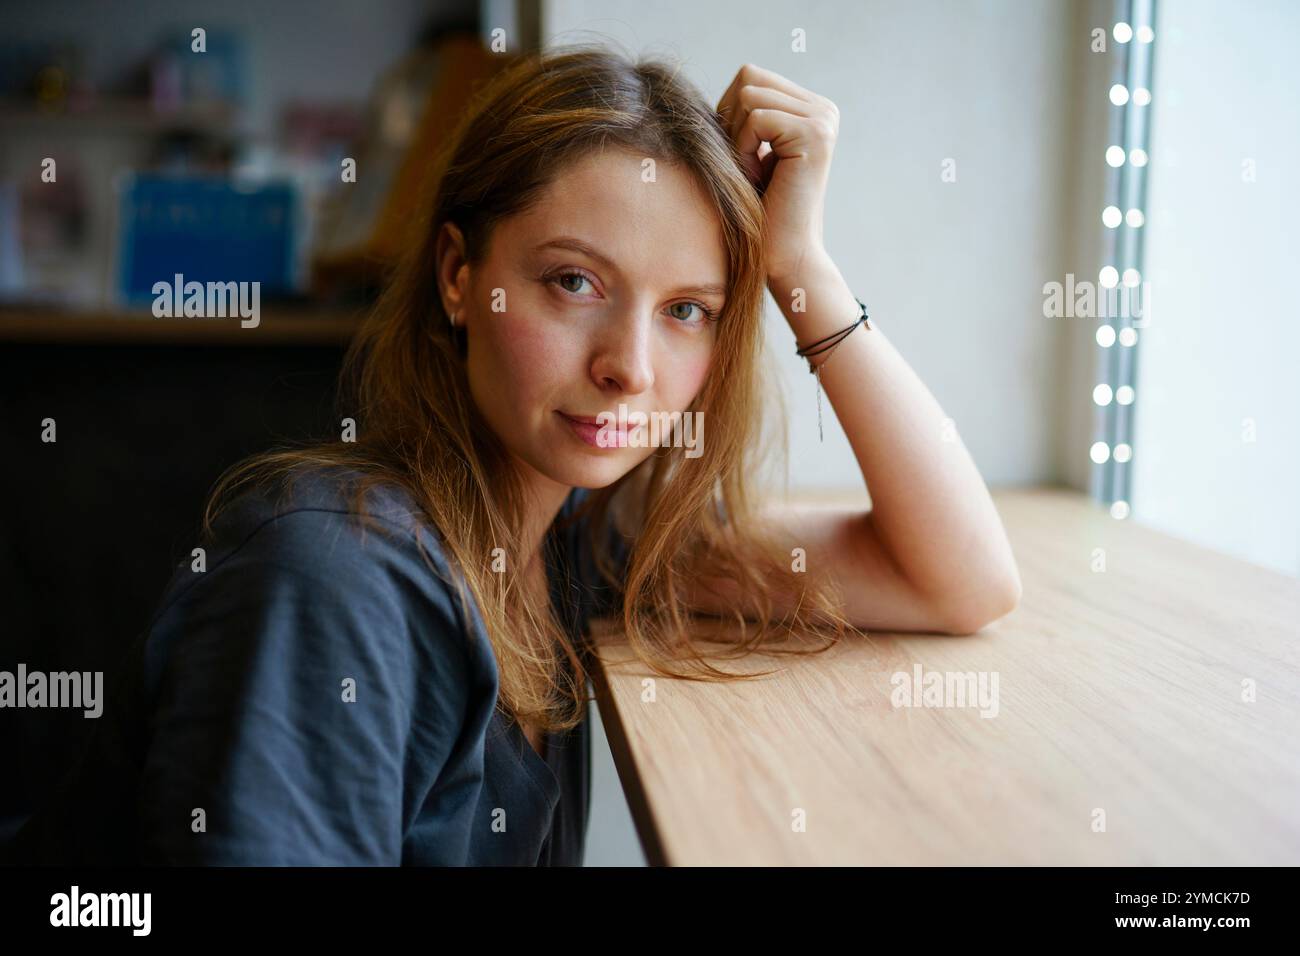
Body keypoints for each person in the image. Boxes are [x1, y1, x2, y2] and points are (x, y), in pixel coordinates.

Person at [6, 44, 1019, 866]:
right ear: (459, 276)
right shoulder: (335, 583)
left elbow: (961, 579)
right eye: (573, 282)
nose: (629, 366)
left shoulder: (578, 536)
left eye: (686, 311)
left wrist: (802, 268)